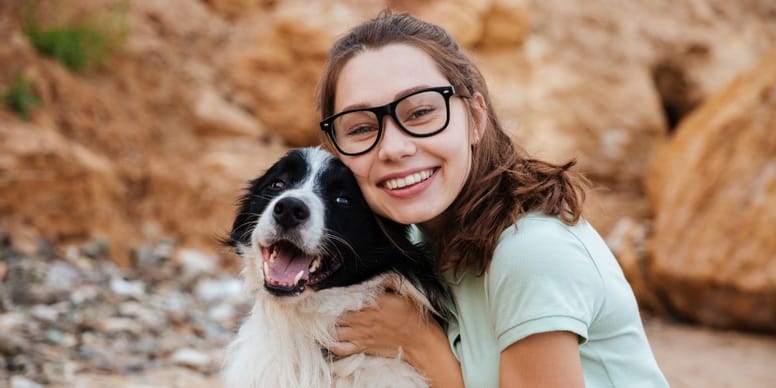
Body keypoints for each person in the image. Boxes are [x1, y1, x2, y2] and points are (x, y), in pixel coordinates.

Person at [316, 9, 669, 388]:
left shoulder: (530, 251)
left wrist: (418, 342)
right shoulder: (417, 244)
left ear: (475, 118)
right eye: (361, 128)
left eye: (419, 112)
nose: (393, 148)